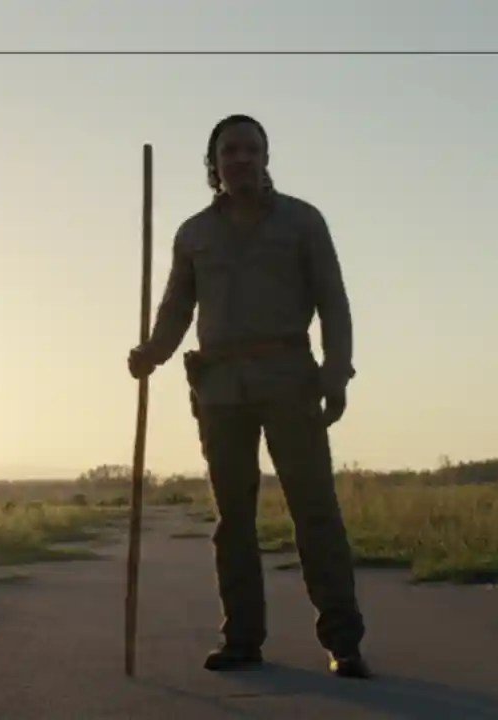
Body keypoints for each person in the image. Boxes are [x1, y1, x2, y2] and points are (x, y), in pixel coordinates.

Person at [127, 114, 370, 679]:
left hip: (289, 380)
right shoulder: (193, 234)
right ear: (213, 164)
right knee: (232, 519)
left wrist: (336, 373)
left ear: (266, 157)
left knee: (315, 512)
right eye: (229, 150)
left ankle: (344, 641)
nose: (241, 158)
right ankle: (242, 639)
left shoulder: (303, 222)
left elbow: (333, 301)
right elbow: (176, 309)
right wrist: (152, 354)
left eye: (251, 149)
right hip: (219, 391)